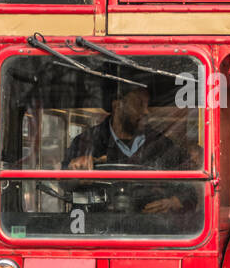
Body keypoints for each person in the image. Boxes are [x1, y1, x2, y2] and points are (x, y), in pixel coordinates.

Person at [63, 81, 193, 214]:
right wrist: (74, 171)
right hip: (98, 225)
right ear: (117, 105)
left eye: (147, 105)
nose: (146, 111)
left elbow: (193, 185)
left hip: (150, 225)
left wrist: (174, 202)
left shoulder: (162, 144)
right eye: (139, 104)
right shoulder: (86, 142)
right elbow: (64, 185)